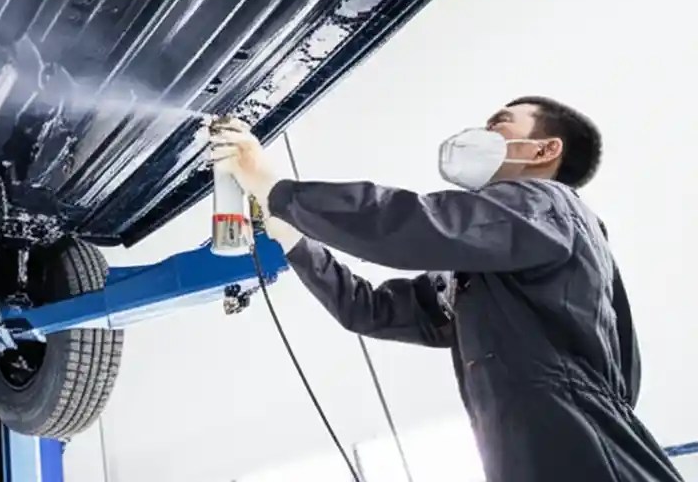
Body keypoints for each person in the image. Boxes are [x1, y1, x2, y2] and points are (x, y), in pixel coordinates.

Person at [207, 97, 680, 482]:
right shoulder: (485, 275)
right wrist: (291, 236)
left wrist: (278, 188)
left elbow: (414, 224)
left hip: (581, 441)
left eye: (499, 123)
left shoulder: (549, 206)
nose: (482, 133)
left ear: (543, 151)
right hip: (528, 444)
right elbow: (368, 310)